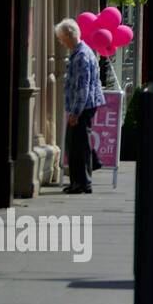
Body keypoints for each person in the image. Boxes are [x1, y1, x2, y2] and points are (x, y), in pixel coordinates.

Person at [56, 18, 104, 194]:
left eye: (61, 38)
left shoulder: (82, 55)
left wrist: (75, 112)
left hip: (83, 106)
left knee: (77, 145)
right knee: (76, 144)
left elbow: (82, 86)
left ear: (69, 36)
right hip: (83, 105)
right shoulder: (80, 52)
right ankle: (79, 180)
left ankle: (83, 182)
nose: (61, 42)